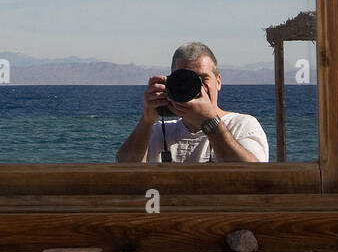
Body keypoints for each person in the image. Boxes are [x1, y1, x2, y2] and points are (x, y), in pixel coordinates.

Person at [115, 42, 268, 163]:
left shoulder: (243, 126)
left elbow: (253, 175)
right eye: (186, 80)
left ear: (218, 82)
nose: (197, 87)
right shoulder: (157, 132)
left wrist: (210, 122)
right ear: (171, 84)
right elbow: (124, 171)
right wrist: (147, 120)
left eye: (203, 79)